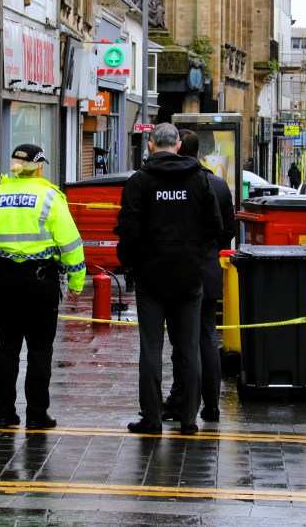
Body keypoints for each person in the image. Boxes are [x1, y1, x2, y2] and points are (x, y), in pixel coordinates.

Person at [115, 123, 223, 436]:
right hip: (189, 276)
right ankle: (189, 419)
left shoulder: (140, 181)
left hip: (151, 278)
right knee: (188, 349)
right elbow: (215, 227)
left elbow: (129, 231)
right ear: (177, 146)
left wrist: (131, 264)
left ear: (150, 145)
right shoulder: (200, 179)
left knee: (151, 349)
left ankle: (152, 418)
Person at [0, 144, 85, 430]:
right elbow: (70, 242)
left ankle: (4, 414)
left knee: (7, 348)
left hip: (4, 281)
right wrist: (76, 280)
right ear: (40, 166)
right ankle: (36, 414)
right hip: (39, 280)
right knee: (40, 350)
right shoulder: (49, 197)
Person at [160, 129, 237, 424]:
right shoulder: (218, 184)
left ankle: (181, 402)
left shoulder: (179, 184)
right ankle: (212, 405)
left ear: (177, 149)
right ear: (198, 152)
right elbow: (228, 230)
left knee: (183, 342)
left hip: (184, 272)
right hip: (209, 268)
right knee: (207, 337)